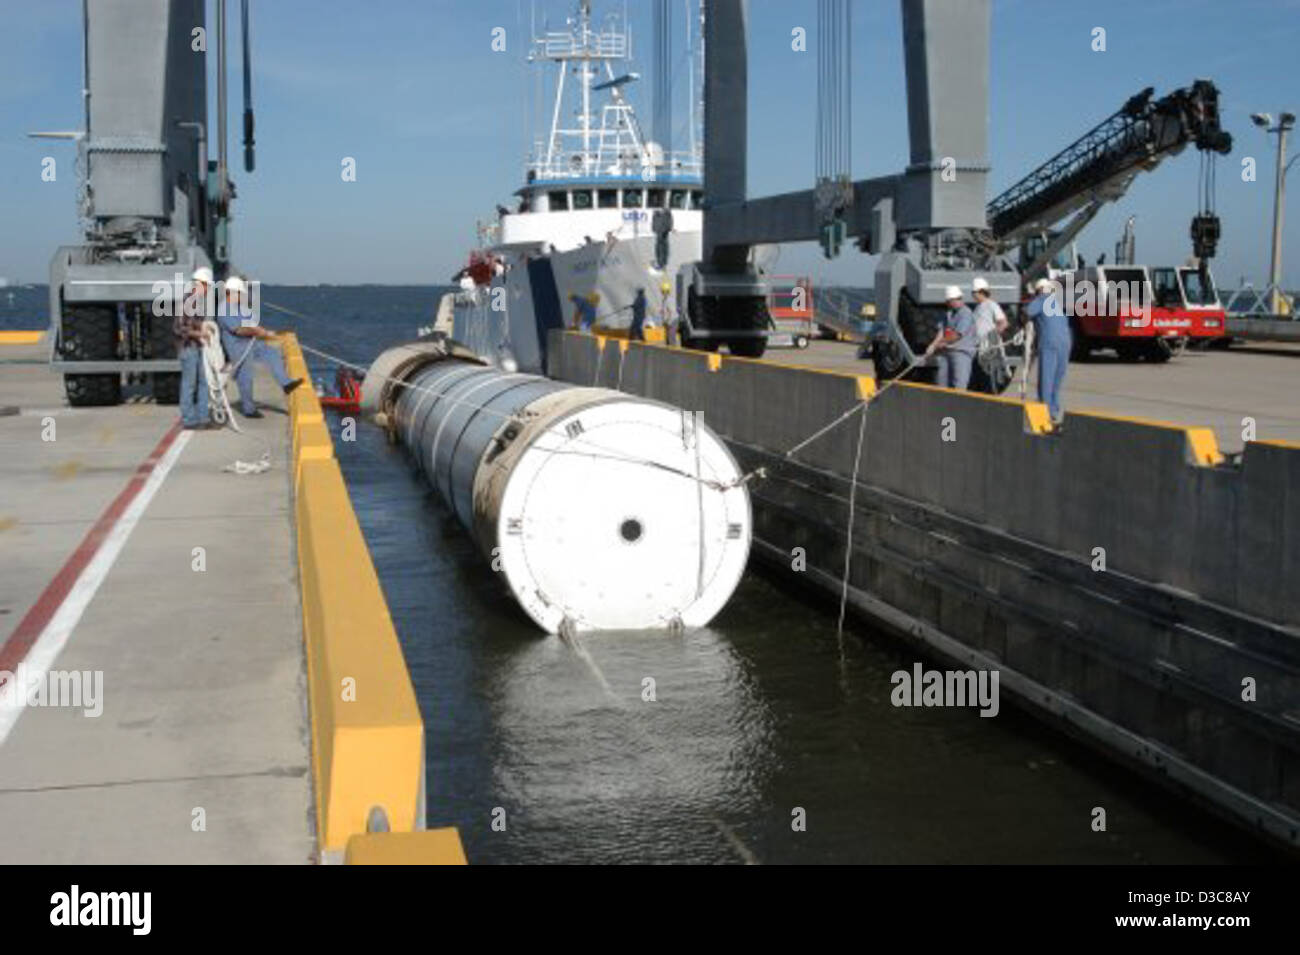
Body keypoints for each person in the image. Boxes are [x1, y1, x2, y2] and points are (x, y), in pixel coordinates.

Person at [218, 275, 303, 419]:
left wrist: (266, 332)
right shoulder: (224, 309)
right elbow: (238, 330)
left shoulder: (239, 307)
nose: (242, 296)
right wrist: (257, 331)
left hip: (250, 342)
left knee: (272, 352)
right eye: (240, 293)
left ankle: (286, 383)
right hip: (237, 346)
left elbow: (251, 324)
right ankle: (248, 409)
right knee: (245, 376)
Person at [1026, 277, 1070, 425]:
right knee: (1057, 379)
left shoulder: (1041, 300)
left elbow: (1028, 312)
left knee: (1047, 378)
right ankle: (1053, 410)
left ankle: (1044, 413)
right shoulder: (1056, 303)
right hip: (1065, 343)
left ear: (1039, 290)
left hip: (1049, 343)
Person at [175, 267, 214, 429]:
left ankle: (203, 417)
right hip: (189, 348)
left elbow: (192, 323)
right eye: (207, 286)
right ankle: (189, 419)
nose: (207, 290)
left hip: (196, 347)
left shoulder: (196, 302)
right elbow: (180, 328)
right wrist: (200, 334)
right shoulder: (188, 301)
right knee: (189, 384)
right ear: (200, 284)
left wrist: (204, 329)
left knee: (203, 382)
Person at [925, 285, 978, 390]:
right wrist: (933, 344)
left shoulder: (966, 313)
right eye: (948, 302)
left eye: (950, 301)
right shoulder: (949, 313)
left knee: (959, 384)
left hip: (961, 352)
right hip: (946, 352)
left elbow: (957, 335)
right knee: (941, 383)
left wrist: (941, 343)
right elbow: (942, 331)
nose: (949, 304)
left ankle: (958, 405)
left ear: (958, 299)